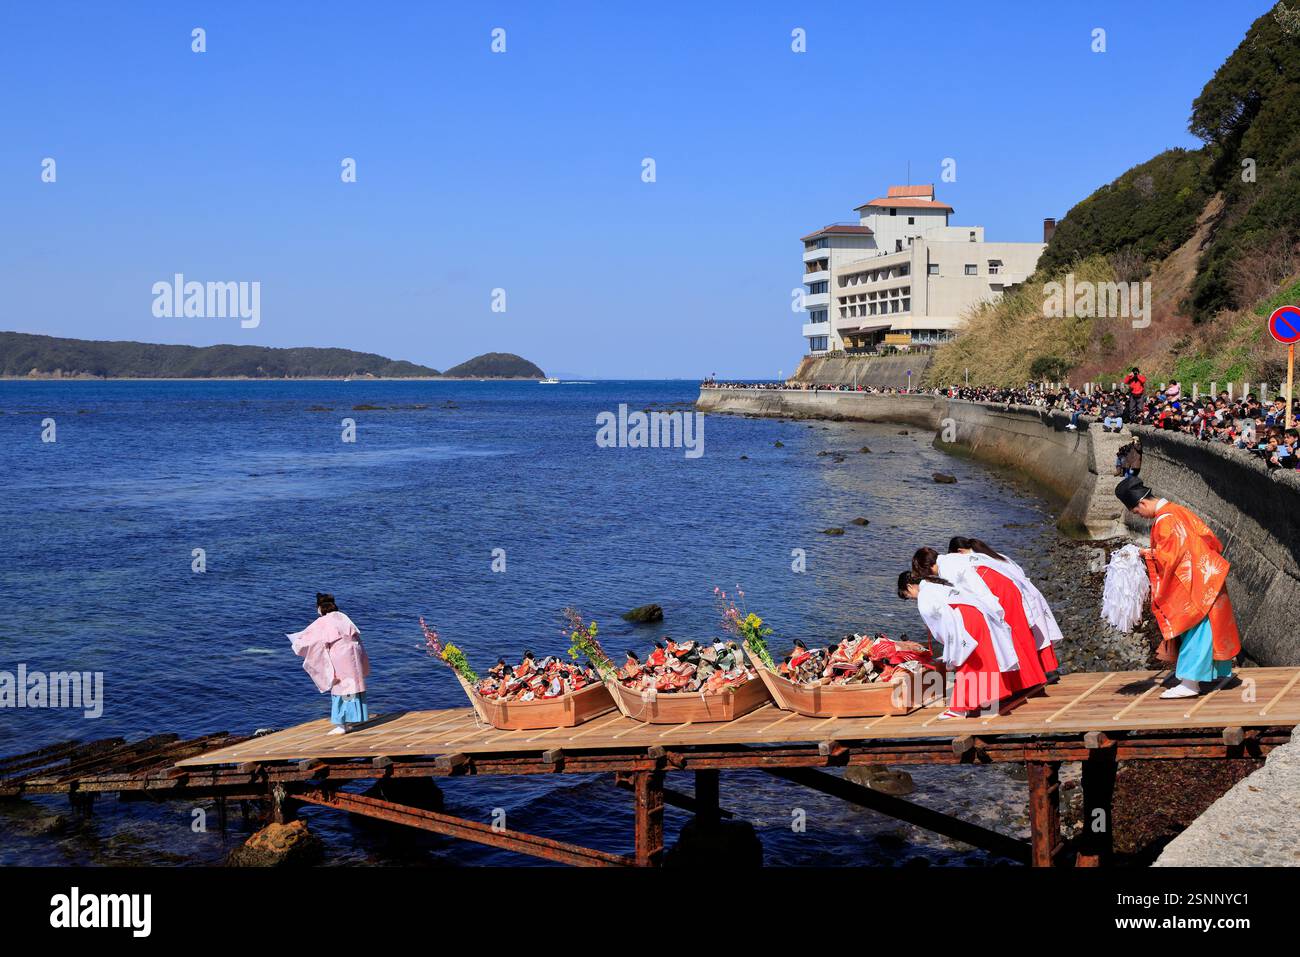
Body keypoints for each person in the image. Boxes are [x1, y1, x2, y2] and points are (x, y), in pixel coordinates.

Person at [1114, 477, 1240, 698]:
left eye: (1135, 511)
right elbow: (1208, 537)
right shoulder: (1178, 510)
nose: (1139, 516)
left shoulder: (1165, 521)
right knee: (1209, 628)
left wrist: (1143, 554)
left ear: (1142, 504)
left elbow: (1169, 557)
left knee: (1195, 631)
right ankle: (1215, 672)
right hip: (1206, 574)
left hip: (1195, 584)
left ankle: (1191, 683)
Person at [897, 569, 1019, 719]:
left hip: (963, 622)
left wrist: (949, 650)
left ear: (909, 586)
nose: (912, 599)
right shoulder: (936, 585)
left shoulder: (924, 595)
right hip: (976, 616)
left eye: (908, 596)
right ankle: (993, 696)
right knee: (983, 659)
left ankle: (959, 708)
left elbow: (939, 626)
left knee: (965, 663)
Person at [287, 592, 371, 734]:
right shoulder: (343, 616)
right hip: (354, 651)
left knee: (340, 685)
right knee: (351, 684)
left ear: (320, 608)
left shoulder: (323, 621)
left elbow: (307, 640)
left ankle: (341, 723)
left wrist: (296, 644)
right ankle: (350, 718)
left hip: (340, 654)